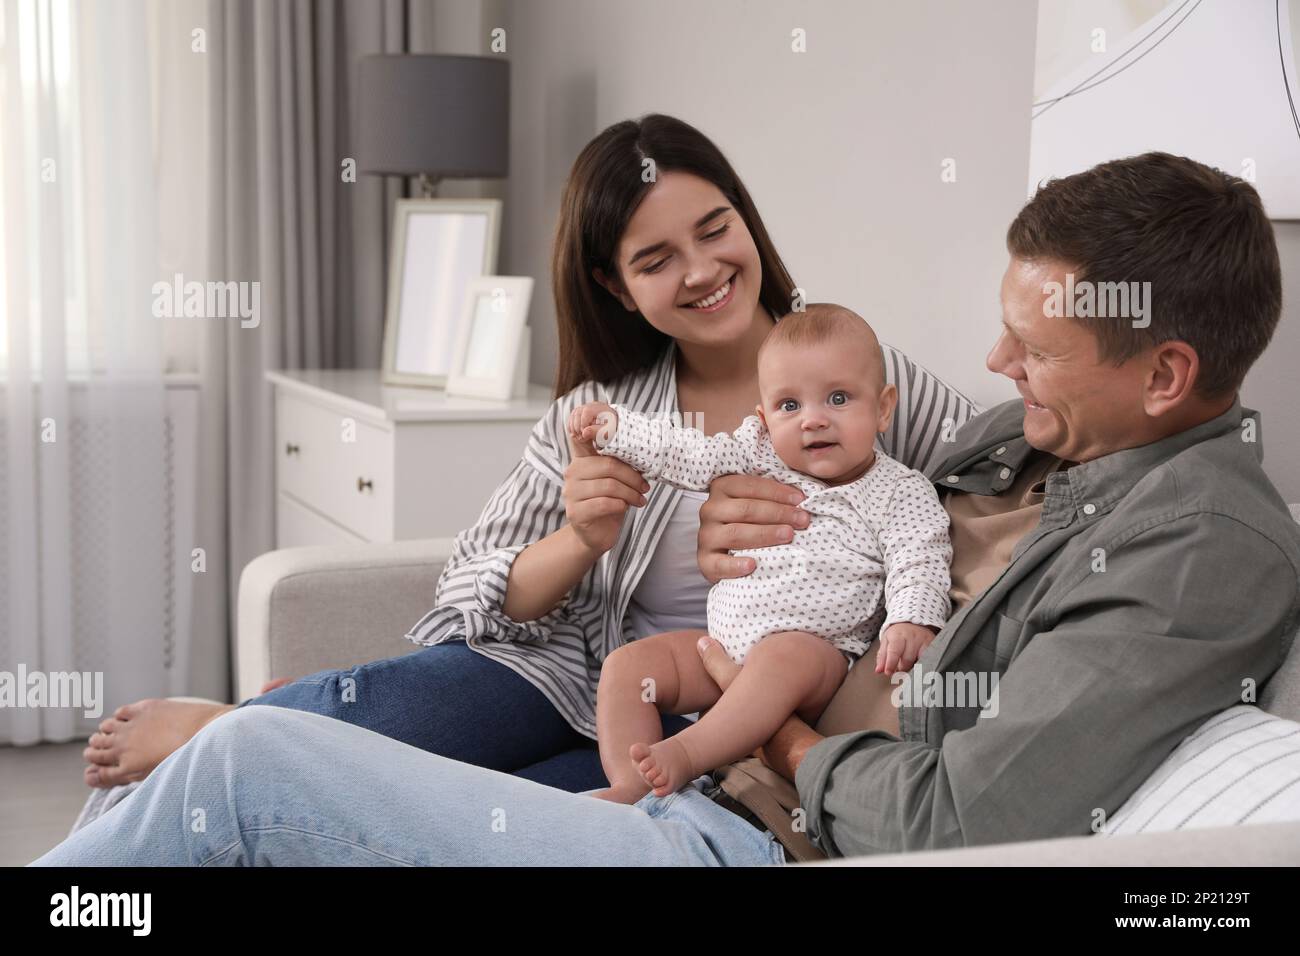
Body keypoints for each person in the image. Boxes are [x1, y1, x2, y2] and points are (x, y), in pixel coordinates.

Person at [41, 148, 1297, 866]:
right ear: (616, 285)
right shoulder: (1012, 436)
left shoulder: (1192, 547)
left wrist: (772, 727)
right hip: (663, 718)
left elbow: (955, 815)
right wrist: (653, 538)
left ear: (1163, 372)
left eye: (1031, 345)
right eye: (653, 257)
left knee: (246, 768)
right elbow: (822, 495)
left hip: (748, 818)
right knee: (231, 774)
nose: (994, 359)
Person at [73, 115, 965, 807]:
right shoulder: (603, 414)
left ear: (746, 220)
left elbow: (992, 490)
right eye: (657, 259)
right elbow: (473, 587)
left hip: (711, 718)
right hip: (570, 675)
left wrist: (890, 608)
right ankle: (245, 728)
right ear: (617, 287)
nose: (702, 271)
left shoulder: (857, 374)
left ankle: (269, 733)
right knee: (394, 706)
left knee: (438, 813)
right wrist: (582, 538)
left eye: (714, 229)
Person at [572, 305, 952, 802]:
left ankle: (686, 754)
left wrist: (910, 619)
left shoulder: (899, 490)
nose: (813, 420)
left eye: (838, 398)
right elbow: (687, 451)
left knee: (779, 656)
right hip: (724, 647)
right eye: (789, 405)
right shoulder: (755, 453)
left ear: (883, 408)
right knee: (627, 667)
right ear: (764, 419)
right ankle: (632, 788)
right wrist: (620, 430)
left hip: (818, 657)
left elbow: (920, 556)